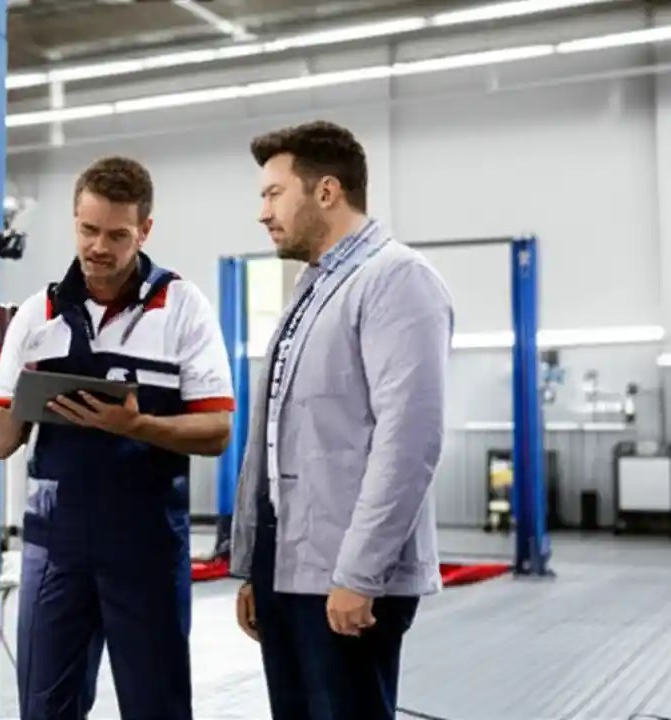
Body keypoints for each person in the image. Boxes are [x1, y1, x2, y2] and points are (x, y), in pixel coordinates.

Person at [0, 156, 235, 720]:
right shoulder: (37, 315)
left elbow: (217, 430)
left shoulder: (183, 308)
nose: (99, 247)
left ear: (145, 230)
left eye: (117, 235)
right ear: (74, 220)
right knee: (45, 707)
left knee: (156, 706)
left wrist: (137, 426)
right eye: (88, 229)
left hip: (146, 541)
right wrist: (26, 393)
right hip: (55, 543)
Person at [229, 120, 454, 720]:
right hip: (288, 567)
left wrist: (361, 573)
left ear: (326, 191)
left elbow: (409, 442)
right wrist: (255, 567)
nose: (263, 212)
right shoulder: (311, 289)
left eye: (274, 193)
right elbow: (275, 440)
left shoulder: (395, 279)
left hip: (346, 575)